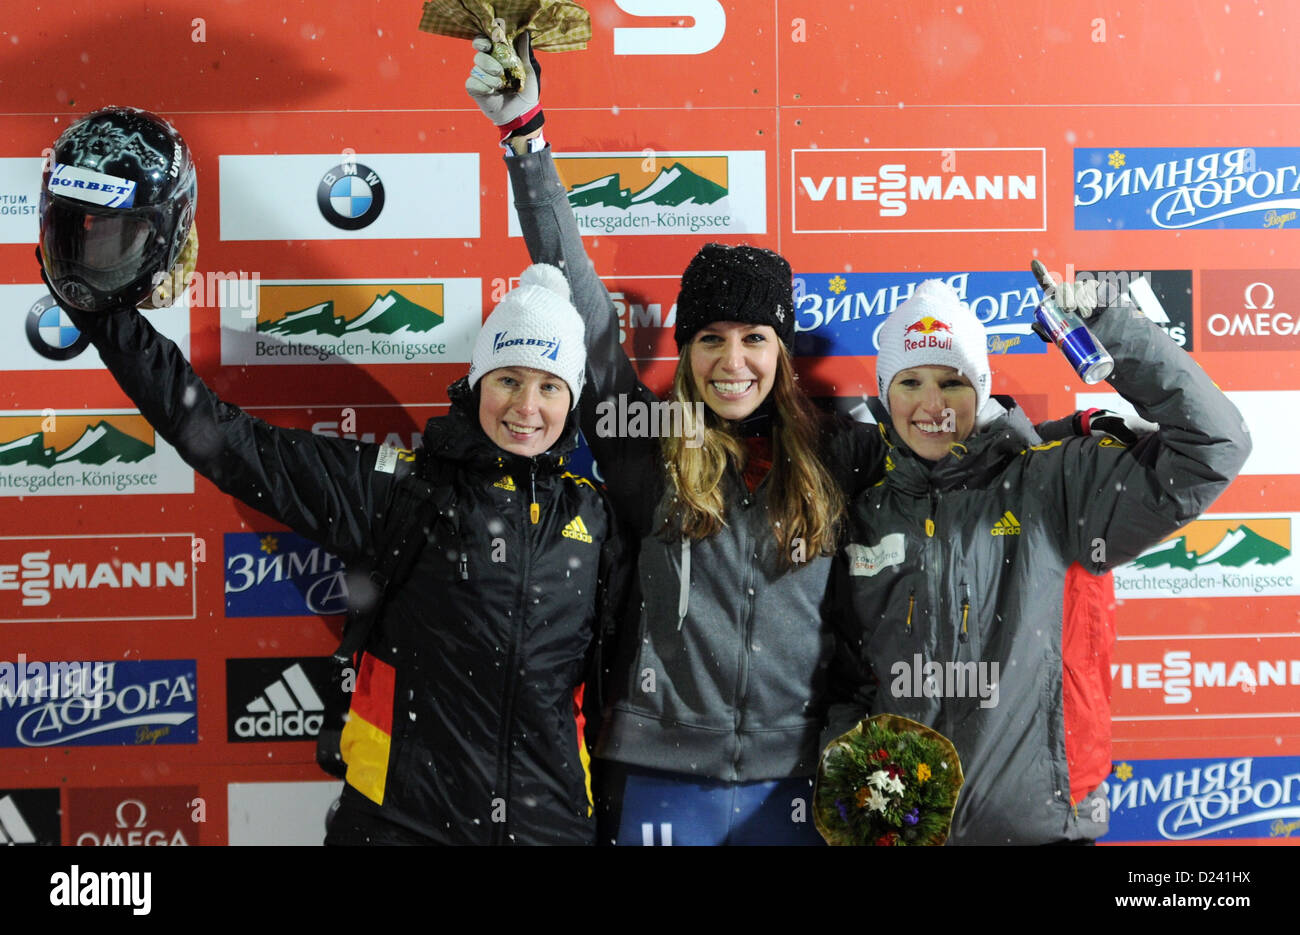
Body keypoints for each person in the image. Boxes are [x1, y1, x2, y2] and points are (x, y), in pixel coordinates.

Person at [464, 37, 1110, 845]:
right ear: (689, 351)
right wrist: (528, 141)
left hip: (803, 782)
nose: (732, 362)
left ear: (782, 351)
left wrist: (1066, 436)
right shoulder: (648, 442)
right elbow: (591, 323)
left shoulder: (845, 453)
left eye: (754, 339)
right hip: (661, 778)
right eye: (710, 339)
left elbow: (952, 450)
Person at [38, 106, 623, 845]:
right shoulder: (400, 488)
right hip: (399, 824)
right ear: (476, 384)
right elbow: (223, 442)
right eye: (507, 378)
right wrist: (102, 317)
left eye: (547, 387)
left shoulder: (599, 520)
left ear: (571, 403)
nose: (525, 407)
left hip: (549, 828)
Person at [823, 278, 1251, 845]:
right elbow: (849, 673)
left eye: (952, 381)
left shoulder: (1054, 480)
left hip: (1042, 828)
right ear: (885, 392)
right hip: (906, 834)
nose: (932, 405)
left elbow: (1213, 447)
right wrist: (854, 773)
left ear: (980, 387)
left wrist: (1108, 325)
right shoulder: (865, 505)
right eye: (911, 382)